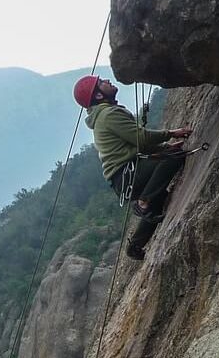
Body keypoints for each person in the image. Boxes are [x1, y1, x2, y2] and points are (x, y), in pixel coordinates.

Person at [73, 75, 194, 259]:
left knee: (159, 200)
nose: (106, 81)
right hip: (128, 174)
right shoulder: (109, 115)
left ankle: (136, 244)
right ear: (98, 96)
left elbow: (137, 144)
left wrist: (164, 147)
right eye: (101, 83)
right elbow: (141, 139)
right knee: (174, 157)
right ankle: (143, 201)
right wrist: (170, 134)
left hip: (124, 178)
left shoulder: (104, 116)